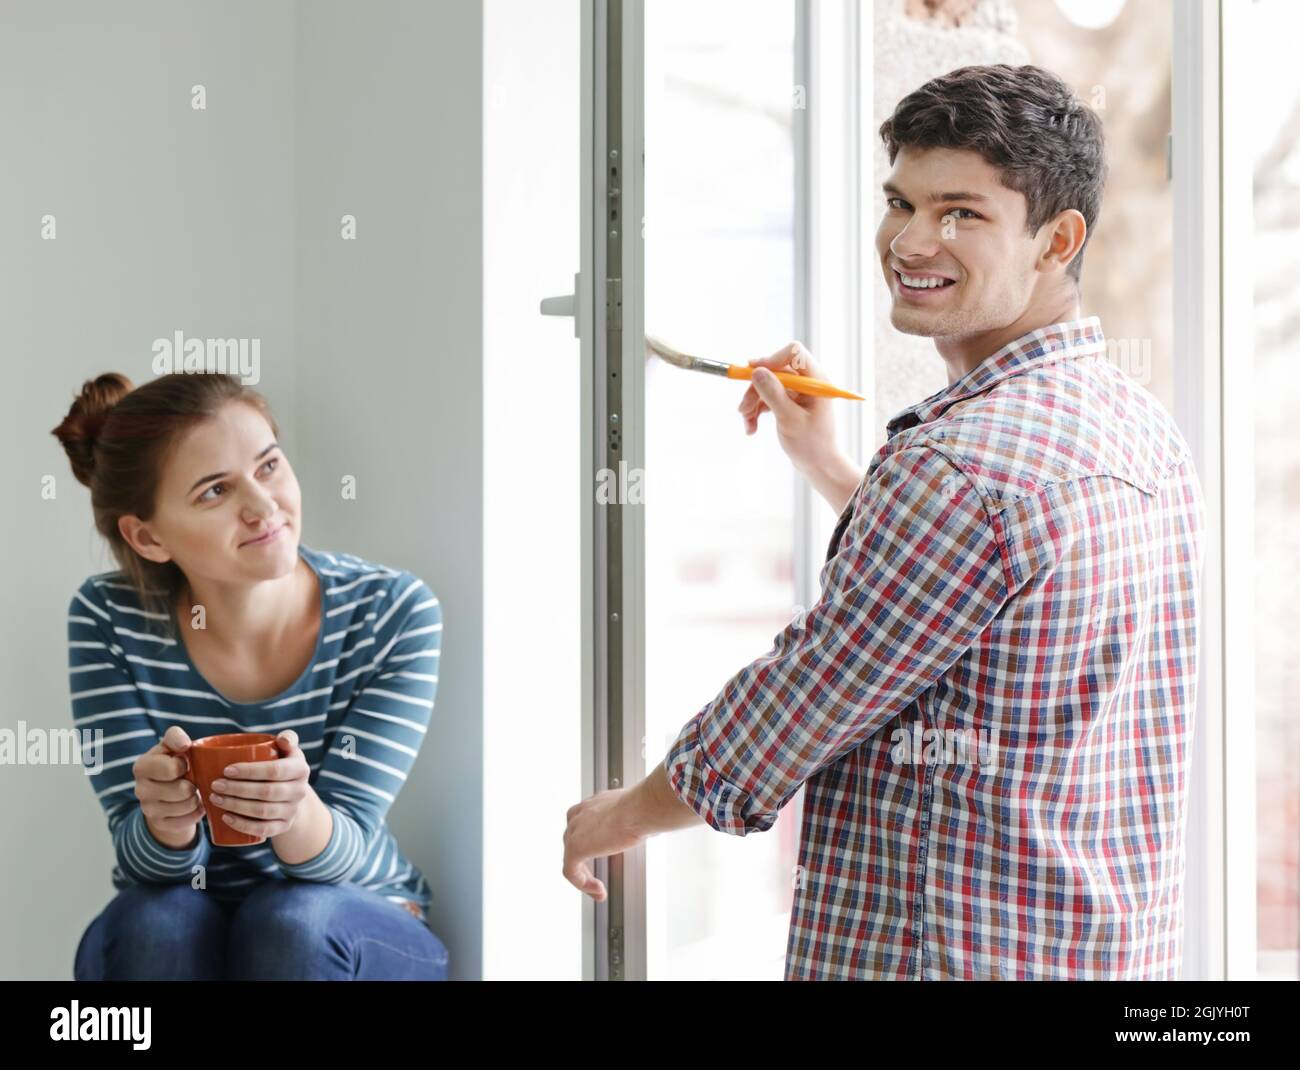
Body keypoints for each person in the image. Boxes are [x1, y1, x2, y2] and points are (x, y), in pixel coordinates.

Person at [563, 63, 1206, 980]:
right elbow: (967, 605)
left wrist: (616, 815)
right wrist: (830, 466)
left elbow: (789, 716)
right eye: (898, 201)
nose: (911, 240)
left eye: (961, 213)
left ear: (1058, 239)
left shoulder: (954, 471)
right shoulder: (1141, 430)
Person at [53, 371, 450, 980]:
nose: (263, 507)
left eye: (268, 466)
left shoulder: (391, 612)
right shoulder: (110, 618)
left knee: (289, 925)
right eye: (215, 491)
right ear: (149, 536)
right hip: (192, 926)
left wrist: (294, 812)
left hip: (355, 923)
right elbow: (142, 865)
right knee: (155, 926)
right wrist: (166, 824)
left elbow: (345, 848)